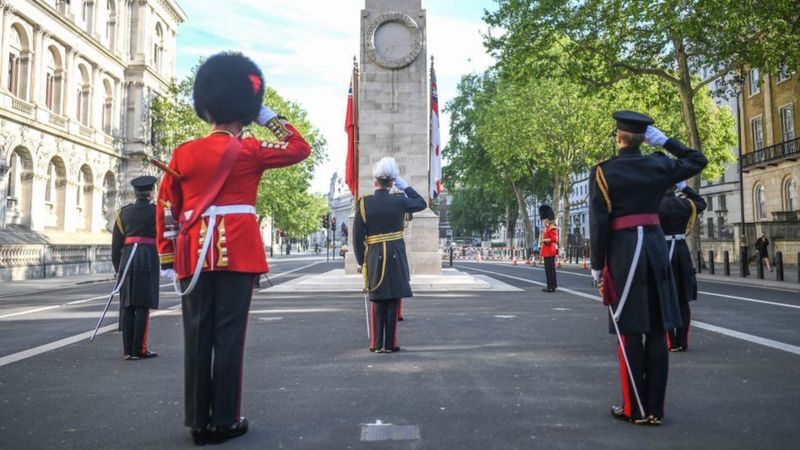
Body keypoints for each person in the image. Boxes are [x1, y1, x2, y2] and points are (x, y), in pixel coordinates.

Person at [155, 52, 311, 445]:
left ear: (206, 109)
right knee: (229, 339)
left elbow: (167, 206)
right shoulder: (251, 150)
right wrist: (266, 115)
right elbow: (299, 147)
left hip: (193, 253)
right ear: (243, 112)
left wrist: (168, 255)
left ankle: (198, 423)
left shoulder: (183, 152)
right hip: (238, 252)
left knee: (196, 336)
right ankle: (224, 420)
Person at [589, 110, 707, 426]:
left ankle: (635, 407)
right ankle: (655, 409)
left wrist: (597, 266)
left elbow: (599, 223)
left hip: (623, 252)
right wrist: (665, 141)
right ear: (645, 138)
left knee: (629, 330)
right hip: (656, 249)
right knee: (656, 330)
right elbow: (697, 160)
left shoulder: (603, 171)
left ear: (619, 137)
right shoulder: (659, 165)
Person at [353, 157, 427, 353]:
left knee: (377, 298)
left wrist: (361, 262)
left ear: (375, 181)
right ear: (393, 182)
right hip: (395, 252)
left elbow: (357, 237)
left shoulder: (364, 204)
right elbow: (421, 203)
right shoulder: (400, 200)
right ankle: (390, 343)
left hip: (374, 253)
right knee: (393, 297)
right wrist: (406, 187)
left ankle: (377, 344)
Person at [111, 176, 160, 361]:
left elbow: (116, 245)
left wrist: (118, 268)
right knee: (142, 306)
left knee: (128, 305)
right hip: (147, 259)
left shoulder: (123, 213)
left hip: (127, 261)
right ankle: (139, 349)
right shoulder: (157, 211)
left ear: (136, 193)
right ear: (151, 193)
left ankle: (128, 350)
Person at [659, 182, 707, 352]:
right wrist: (685, 187)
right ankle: (682, 341)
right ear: (674, 187)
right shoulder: (685, 204)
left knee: (663, 298)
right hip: (681, 253)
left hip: (662, 251)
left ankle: (670, 341)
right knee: (682, 299)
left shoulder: (653, 205)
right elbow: (701, 203)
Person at [539, 205, 558, 292]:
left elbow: (554, 239)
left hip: (550, 250)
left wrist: (544, 240)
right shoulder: (546, 228)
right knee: (548, 269)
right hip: (546, 251)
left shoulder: (552, 227)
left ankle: (551, 286)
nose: (543, 221)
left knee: (550, 269)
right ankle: (551, 285)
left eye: (544, 219)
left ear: (547, 219)